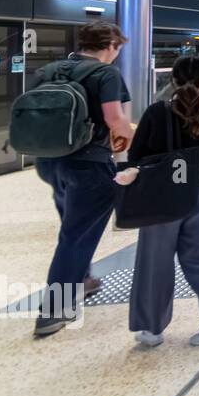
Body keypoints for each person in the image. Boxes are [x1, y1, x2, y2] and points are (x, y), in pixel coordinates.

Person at [123, 56, 199, 347]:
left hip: (164, 193)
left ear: (172, 80)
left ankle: (151, 328)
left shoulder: (157, 112)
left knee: (155, 258)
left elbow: (136, 157)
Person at [31, 22, 134, 338]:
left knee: (73, 224)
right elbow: (115, 120)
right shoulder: (105, 75)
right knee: (77, 234)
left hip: (48, 162)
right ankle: (54, 310)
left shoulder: (49, 71)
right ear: (112, 45)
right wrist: (128, 153)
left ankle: (83, 279)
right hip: (88, 164)